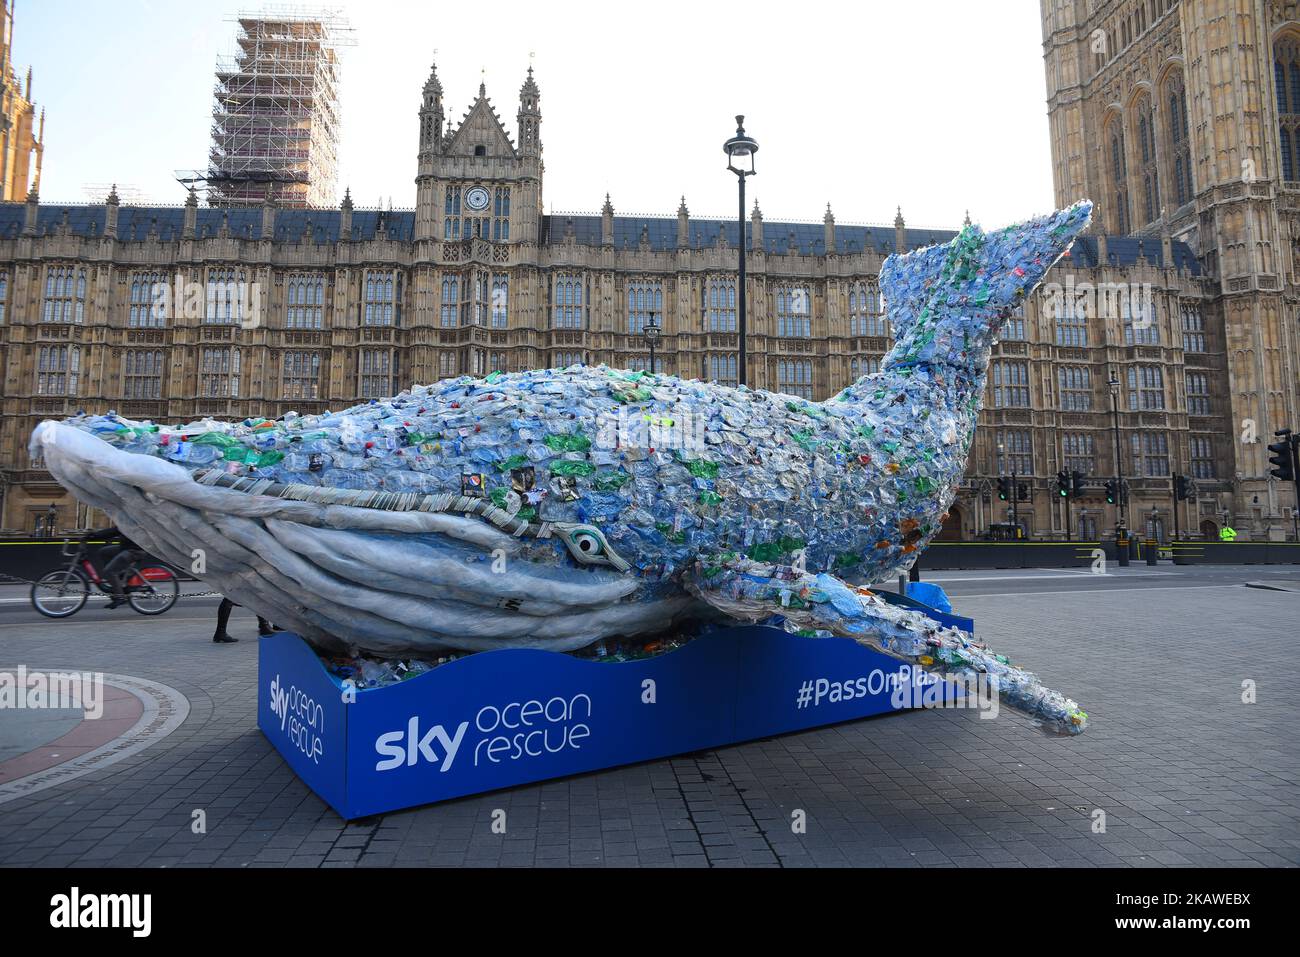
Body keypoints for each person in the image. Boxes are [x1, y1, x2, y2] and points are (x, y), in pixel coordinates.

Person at [87, 526, 145, 609]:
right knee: (103, 552)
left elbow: (115, 530)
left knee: (109, 571)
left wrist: (95, 535)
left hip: (134, 551)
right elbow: (114, 531)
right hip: (126, 548)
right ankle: (118, 578)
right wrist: (95, 535)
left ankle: (120, 597)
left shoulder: (132, 521)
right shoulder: (128, 520)